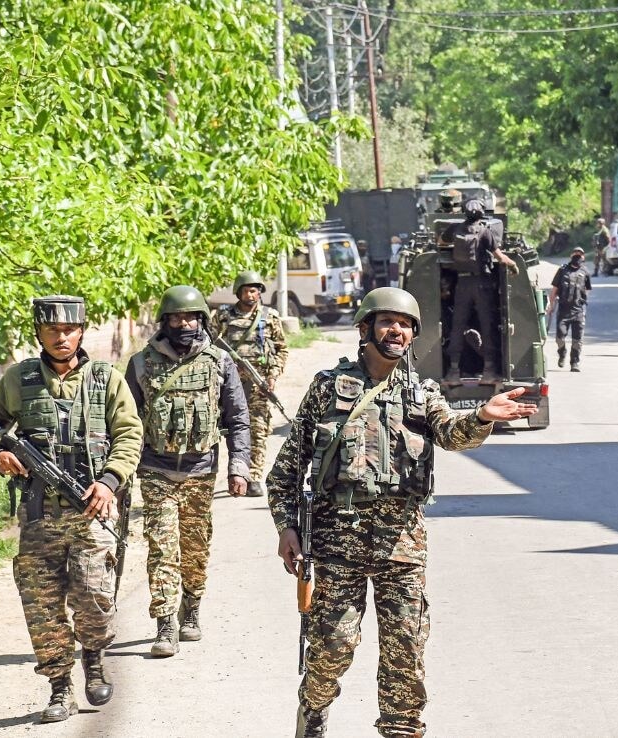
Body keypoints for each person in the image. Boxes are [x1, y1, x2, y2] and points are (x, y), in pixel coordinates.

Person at [266, 287, 538, 738]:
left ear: (413, 335)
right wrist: (287, 528)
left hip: (402, 547)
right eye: (387, 322)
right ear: (365, 328)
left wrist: (483, 417)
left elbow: (452, 434)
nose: (397, 330)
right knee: (332, 646)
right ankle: (313, 709)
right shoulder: (327, 388)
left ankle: (401, 729)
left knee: (405, 652)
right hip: (337, 544)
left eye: (406, 324)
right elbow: (286, 470)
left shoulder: (422, 394)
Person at [0, 296, 142, 722]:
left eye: (69, 330)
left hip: (91, 513)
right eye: (52, 331)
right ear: (39, 334)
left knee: (95, 600)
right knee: (42, 606)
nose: (61, 337)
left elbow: (129, 435)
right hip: (38, 517)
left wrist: (109, 481)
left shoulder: (106, 379)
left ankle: (95, 661)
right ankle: (60, 689)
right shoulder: (18, 378)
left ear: (81, 332)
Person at [126, 285, 251, 658]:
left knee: (195, 549)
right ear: (164, 322)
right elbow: (126, 422)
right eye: (176, 318)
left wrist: (239, 466)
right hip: (156, 469)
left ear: (203, 320)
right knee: (163, 549)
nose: (184, 324)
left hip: (201, 470)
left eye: (191, 317)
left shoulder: (219, 362)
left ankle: (191, 609)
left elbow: (238, 418)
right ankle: (165, 624)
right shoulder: (140, 363)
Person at [209, 270, 289, 498]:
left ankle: (254, 476)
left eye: (254, 290)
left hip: (258, 385)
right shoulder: (223, 315)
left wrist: (272, 376)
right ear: (238, 292)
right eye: (246, 290)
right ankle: (234, 472)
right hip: (227, 385)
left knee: (258, 430)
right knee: (226, 430)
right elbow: (210, 344)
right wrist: (227, 366)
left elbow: (281, 348)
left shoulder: (270, 317)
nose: (250, 295)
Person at [443, 197, 519, 384]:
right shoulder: (485, 232)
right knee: (487, 326)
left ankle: (453, 373)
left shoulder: (456, 229)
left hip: (462, 285)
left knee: (457, 327)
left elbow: (441, 240)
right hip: (482, 285)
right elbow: (500, 257)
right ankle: (489, 372)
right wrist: (513, 265)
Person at [548, 247, 593, 372]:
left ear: (583, 257)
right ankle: (562, 352)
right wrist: (551, 306)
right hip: (563, 310)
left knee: (577, 340)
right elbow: (554, 290)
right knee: (559, 338)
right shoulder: (563, 270)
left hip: (578, 310)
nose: (578, 256)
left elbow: (587, 289)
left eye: (580, 254)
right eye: (576, 254)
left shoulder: (585, 272)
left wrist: (584, 303)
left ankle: (574, 363)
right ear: (571, 255)